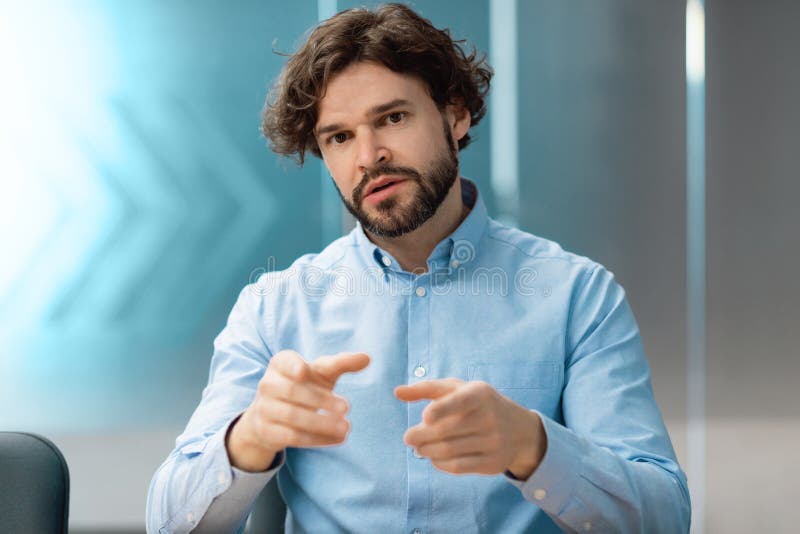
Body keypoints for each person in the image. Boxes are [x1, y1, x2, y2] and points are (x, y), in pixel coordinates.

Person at [146, 4, 690, 533]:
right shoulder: (272, 310)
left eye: (393, 117)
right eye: (340, 137)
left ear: (455, 115)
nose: (369, 155)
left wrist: (533, 446)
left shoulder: (577, 297)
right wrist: (249, 439)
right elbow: (166, 524)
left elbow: (665, 517)